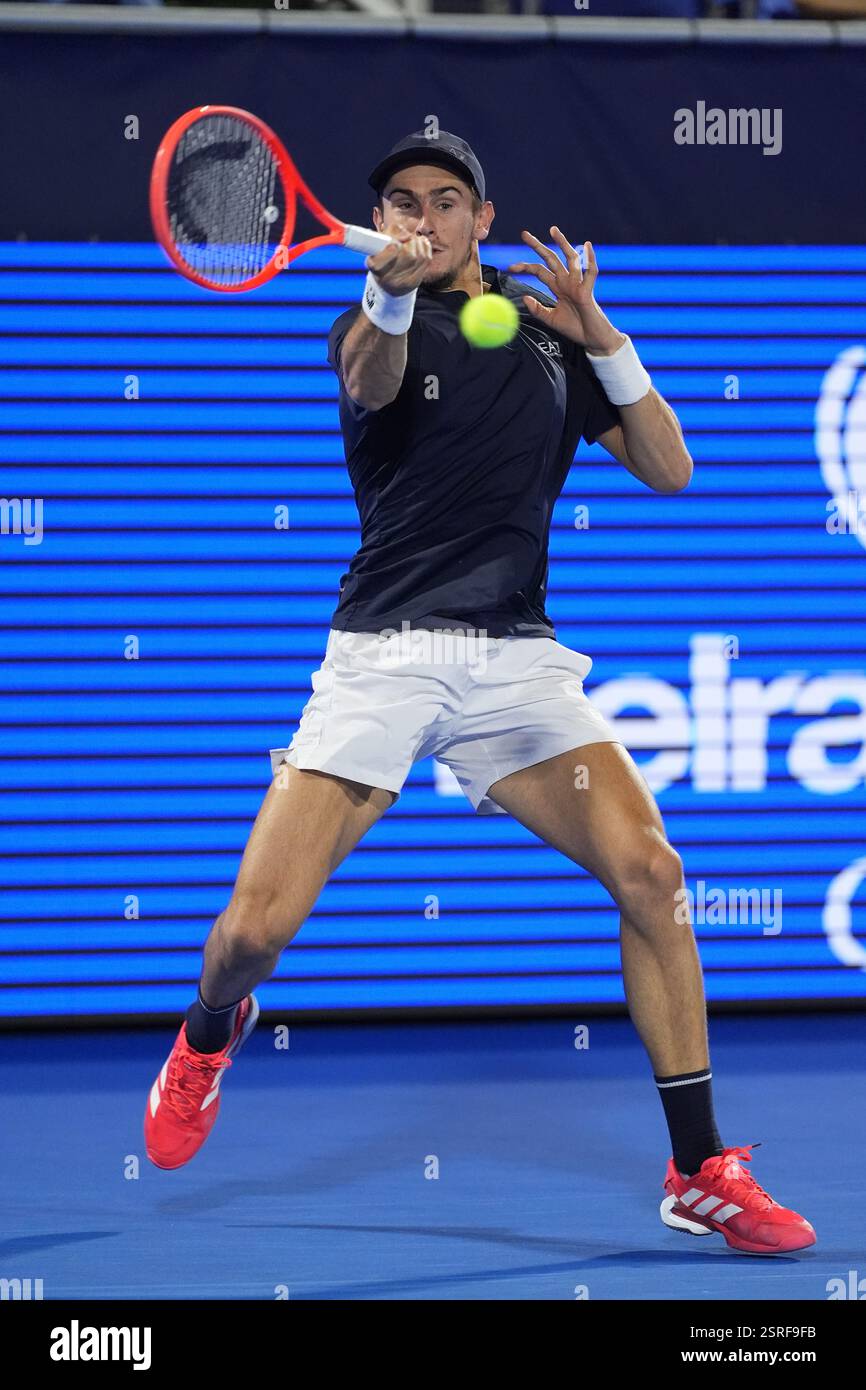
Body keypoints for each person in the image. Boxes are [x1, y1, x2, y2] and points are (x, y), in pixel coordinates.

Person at [144, 129, 815, 1256]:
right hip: (382, 658)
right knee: (252, 934)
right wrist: (391, 294)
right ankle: (211, 1030)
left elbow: (669, 466)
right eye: (401, 201)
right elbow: (370, 376)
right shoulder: (369, 321)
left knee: (651, 872)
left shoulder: (545, 327)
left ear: (481, 217)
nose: (421, 218)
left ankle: (699, 1166)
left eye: (444, 201)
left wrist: (602, 337)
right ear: (384, 220)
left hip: (517, 661)